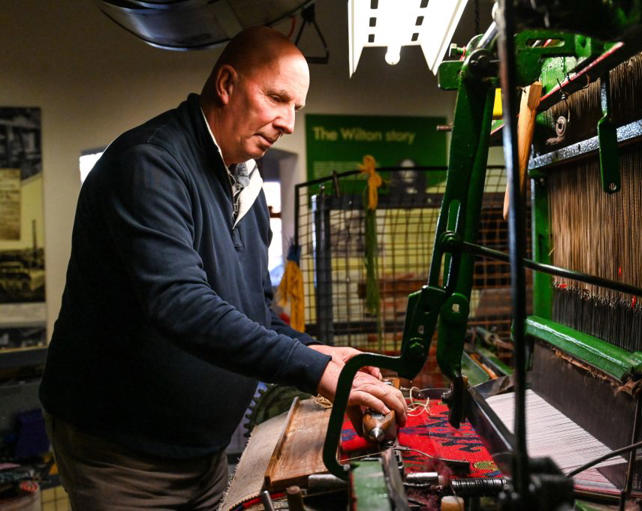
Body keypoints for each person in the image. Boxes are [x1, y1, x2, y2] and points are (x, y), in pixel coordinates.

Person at [39, 26, 406, 509]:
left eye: (296, 107)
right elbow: (180, 304)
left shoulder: (245, 186)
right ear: (227, 84)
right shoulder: (148, 165)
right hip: (124, 457)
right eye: (277, 98)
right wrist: (316, 371)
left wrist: (318, 352)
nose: (288, 122)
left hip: (204, 454)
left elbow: (254, 312)